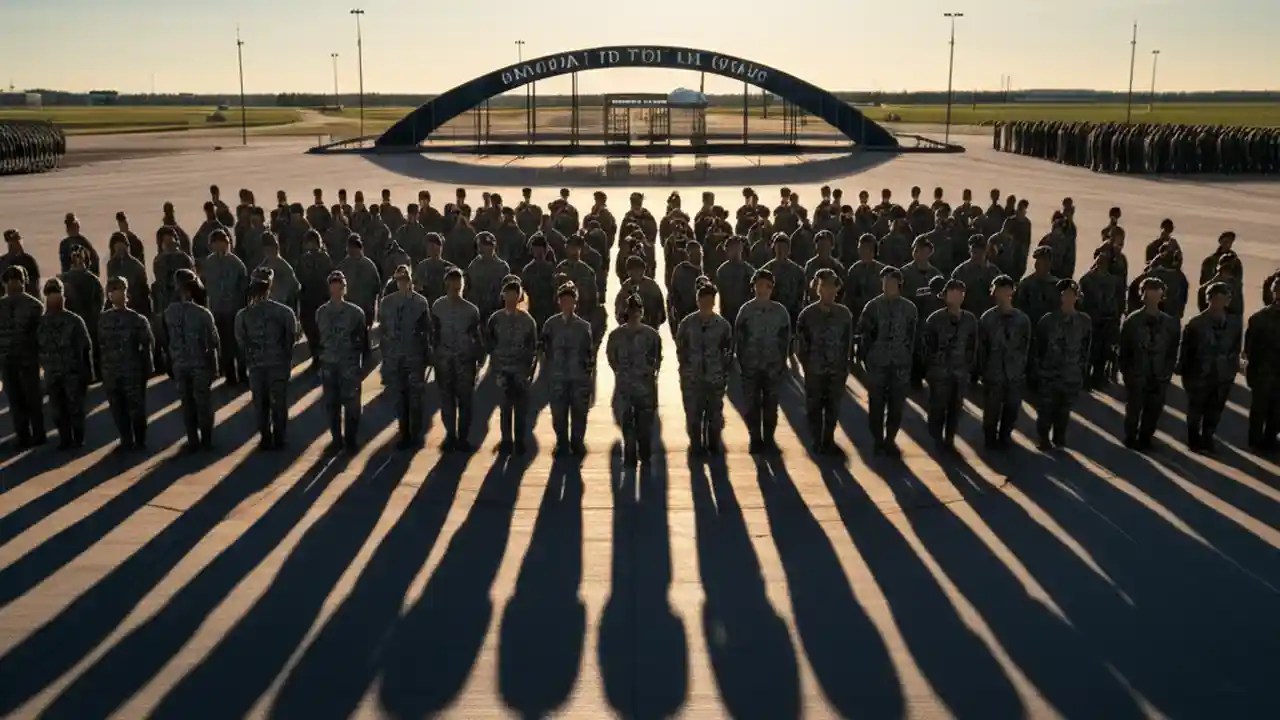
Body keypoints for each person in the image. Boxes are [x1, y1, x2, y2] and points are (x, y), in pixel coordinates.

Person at [857, 267, 918, 456]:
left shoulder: (909, 308)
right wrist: (866, 358)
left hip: (900, 363)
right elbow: (864, 334)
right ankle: (877, 439)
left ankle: (890, 439)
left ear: (899, 284)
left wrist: (909, 359)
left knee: (896, 404)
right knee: (876, 404)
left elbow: (912, 336)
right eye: (885, 282)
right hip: (878, 362)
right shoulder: (873, 306)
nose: (888, 286)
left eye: (892, 282)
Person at [1118, 276, 1181, 450]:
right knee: (1134, 408)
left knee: (1153, 410)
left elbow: (1172, 350)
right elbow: (1124, 349)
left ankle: (1146, 437)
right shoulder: (1133, 321)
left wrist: (1167, 372)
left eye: (1157, 294)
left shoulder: (1169, 324)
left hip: (1159, 374)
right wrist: (1127, 373)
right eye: (1149, 294)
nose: (1153, 298)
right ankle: (1131, 437)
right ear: (1143, 295)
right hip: (1138, 373)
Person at [236, 275, 298, 450]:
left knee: (260, 403)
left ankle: (265, 437)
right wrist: (286, 358)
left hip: (257, 365)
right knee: (278, 402)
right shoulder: (284, 312)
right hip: (277, 364)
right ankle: (279, 437)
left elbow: (241, 340)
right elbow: (291, 337)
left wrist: (249, 358)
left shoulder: (244, 315)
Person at [796, 269, 854, 455]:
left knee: (832, 407)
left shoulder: (844, 314)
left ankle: (828, 439)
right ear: (818, 289)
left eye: (832, 287)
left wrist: (846, 366)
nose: (829, 291)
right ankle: (816, 440)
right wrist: (808, 365)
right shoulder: (807, 315)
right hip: (815, 369)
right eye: (824, 286)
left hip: (836, 369)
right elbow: (800, 345)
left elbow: (848, 342)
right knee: (814, 408)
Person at [1179, 282, 1241, 454]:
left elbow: (1235, 349)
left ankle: (1208, 437)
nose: (1219, 303)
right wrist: (1185, 374)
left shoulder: (1233, 325)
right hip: (1199, 374)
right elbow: (1185, 350)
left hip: (1222, 376)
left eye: (1224, 299)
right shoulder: (1196, 324)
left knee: (1215, 410)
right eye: (1216, 298)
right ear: (1209, 299)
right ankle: (1193, 438)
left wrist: (1232, 370)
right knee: (1195, 409)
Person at [1032, 279, 1092, 450]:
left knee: (1064, 410)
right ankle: (1043, 438)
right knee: (1046, 409)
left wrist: (1083, 372)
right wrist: (1039, 371)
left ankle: (1059, 437)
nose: (1068, 297)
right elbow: (1039, 347)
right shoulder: (1048, 320)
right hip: (1049, 374)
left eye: (1072, 294)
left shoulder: (1084, 321)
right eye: (1064, 294)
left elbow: (1085, 349)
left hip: (1071, 373)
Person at [676, 279, 734, 455]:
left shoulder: (722, 326)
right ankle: (696, 445)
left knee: (714, 416)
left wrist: (722, 372)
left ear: (714, 302)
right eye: (703, 300)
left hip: (714, 378)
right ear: (697, 301)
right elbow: (681, 349)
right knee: (693, 416)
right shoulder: (687, 324)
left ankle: (713, 445)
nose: (706, 303)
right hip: (692, 379)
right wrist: (686, 370)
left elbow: (728, 351)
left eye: (710, 300)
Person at [165, 272, 220, 452]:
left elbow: (164, 340)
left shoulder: (169, 313)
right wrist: (215, 368)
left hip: (179, 364)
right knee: (203, 403)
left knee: (187, 403)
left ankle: (192, 440)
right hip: (200, 365)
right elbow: (213, 342)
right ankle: (206, 439)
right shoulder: (204, 314)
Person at [380, 265, 433, 449]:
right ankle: (404, 434)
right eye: (399, 280)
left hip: (414, 356)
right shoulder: (387, 303)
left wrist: (427, 356)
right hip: (395, 357)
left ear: (411, 281)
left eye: (405, 280)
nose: (403, 283)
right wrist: (385, 360)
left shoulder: (420, 303)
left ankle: (416, 434)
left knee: (416, 399)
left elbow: (427, 331)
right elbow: (383, 333)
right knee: (400, 399)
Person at [99, 276, 155, 450]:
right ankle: (126, 439)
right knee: (117, 408)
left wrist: (147, 369)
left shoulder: (137, 319)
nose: (118, 293)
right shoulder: (103, 319)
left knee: (136, 409)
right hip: (112, 372)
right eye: (114, 290)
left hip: (132, 371)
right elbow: (100, 345)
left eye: (121, 289)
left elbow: (147, 346)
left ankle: (139, 440)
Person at [608, 291, 663, 465]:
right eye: (631, 312)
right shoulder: (616, 336)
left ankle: (645, 455)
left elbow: (657, 358)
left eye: (637, 311)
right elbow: (612, 358)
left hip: (645, 388)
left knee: (645, 426)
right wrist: (621, 372)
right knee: (627, 424)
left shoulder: (651, 335)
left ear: (642, 312)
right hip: (624, 387)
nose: (634, 315)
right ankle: (630, 455)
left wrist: (648, 372)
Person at [978, 275, 1032, 449]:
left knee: (1012, 409)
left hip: (1014, 373)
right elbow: (982, 347)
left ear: (1011, 292)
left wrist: (1024, 369)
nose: (1000, 294)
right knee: (991, 410)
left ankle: (1005, 437)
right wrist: (982, 371)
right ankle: (989, 439)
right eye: (998, 290)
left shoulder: (1022, 320)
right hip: (993, 372)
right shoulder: (987, 318)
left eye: (1004, 290)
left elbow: (1027, 346)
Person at [431, 267, 483, 452]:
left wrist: (479, 358)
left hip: (464, 361)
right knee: (446, 400)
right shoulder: (438, 307)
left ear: (463, 285)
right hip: (444, 360)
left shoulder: (471, 310)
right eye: (452, 284)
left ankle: (463, 438)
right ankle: (450, 435)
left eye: (458, 284)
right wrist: (433, 357)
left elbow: (476, 337)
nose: (456, 288)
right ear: (446, 284)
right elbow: (434, 334)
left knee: (465, 401)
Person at [923, 279, 978, 449]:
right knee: (938, 408)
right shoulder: (935, 319)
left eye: (959, 294)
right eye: (952, 294)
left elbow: (972, 346)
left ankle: (950, 438)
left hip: (960, 372)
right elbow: (927, 346)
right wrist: (931, 368)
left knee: (956, 408)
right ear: (945, 296)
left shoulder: (969, 320)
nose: (956, 298)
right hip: (939, 373)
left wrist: (969, 367)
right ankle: (936, 436)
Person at [486, 278, 539, 454]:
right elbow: (490, 345)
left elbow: (533, 347)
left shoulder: (527, 321)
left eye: (514, 295)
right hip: (503, 369)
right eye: (507, 294)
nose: (510, 298)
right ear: (503, 296)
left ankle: (520, 441)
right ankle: (506, 440)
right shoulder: (496, 319)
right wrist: (495, 370)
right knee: (505, 408)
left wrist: (529, 372)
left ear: (519, 297)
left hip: (520, 371)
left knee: (521, 409)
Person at [542, 281, 595, 456]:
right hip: (557, 376)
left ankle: (577, 442)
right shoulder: (551, 325)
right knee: (559, 413)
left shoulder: (583, 327)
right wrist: (546, 373)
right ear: (559, 302)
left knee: (579, 412)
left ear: (575, 302)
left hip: (578, 376)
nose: (567, 304)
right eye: (564, 300)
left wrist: (589, 379)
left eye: (570, 300)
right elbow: (545, 350)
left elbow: (589, 354)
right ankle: (561, 443)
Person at [316, 270, 367, 451]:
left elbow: (363, 341)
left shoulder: (356, 313)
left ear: (345, 288)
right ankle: (336, 439)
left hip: (349, 364)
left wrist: (361, 364)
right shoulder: (321, 312)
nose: (337, 289)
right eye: (333, 285)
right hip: (329, 363)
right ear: (329, 288)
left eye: (340, 286)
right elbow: (317, 340)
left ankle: (351, 440)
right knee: (332, 404)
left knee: (352, 405)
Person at [0, 266, 46, 448]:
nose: (12, 283)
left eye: (15, 280)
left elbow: (41, 335)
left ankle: (33, 435)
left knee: (28, 399)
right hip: (13, 360)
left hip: (23, 359)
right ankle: (27, 435)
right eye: (10, 280)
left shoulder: (34, 306)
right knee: (19, 399)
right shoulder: (32, 305)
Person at [200, 229, 249, 385]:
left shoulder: (236, 264)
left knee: (239, 344)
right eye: (219, 244)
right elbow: (204, 286)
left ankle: (242, 373)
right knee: (224, 345)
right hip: (217, 310)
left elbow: (244, 287)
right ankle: (229, 375)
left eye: (225, 243)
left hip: (235, 310)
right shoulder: (208, 263)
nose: (223, 247)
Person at [1080, 246, 1126, 389]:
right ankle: (1087, 379)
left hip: (1106, 321)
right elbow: (1081, 300)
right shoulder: (1087, 279)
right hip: (1092, 320)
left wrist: (1115, 320)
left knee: (1102, 354)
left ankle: (1097, 379)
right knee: (1090, 352)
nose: (1100, 264)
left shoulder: (1114, 282)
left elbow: (1117, 302)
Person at [1244, 276, 1280, 451]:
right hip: (1265, 372)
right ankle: (1262, 441)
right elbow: (1250, 349)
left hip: (1268, 373)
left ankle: (1264, 440)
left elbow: (1249, 349)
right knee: (1265, 410)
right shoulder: (1258, 319)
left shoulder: (1258, 318)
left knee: (1269, 411)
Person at [337, 235, 380, 340]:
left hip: (364, 309)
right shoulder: (343, 266)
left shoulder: (368, 265)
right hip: (349, 311)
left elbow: (376, 287)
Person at [464, 232, 511, 323]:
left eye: (486, 246)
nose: (482, 249)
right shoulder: (474, 266)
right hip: (478, 310)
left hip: (496, 311)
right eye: (480, 246)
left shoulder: (502, 267)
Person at [952, 235, 1001, 319]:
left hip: (990, 317)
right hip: (966, 316)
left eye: (981, 250)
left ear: (986, 250)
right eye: (974, 251)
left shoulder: (994, 271)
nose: (978, 253)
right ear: (969, 251)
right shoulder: (960, 272)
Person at [615, 255, 666, 331]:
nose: (639, 272)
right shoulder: (625, 288)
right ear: (629, 272)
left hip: (650, 328)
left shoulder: (652, 286)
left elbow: (661, 310)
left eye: (641, 269)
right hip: (631, 330)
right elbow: (619, 311)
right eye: (635, 270)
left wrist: (655, 323)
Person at [106, 232, 151, 318]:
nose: (120, 250)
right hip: (116, 306)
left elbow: (143, 291)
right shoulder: (111, 265)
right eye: (117, 247)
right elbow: (110, 287)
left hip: (135, 306)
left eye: (122, 246)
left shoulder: (137, 266)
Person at [1014, 246, 1061, 327]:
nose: (1041, 264)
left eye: (1044, 261)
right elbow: (1017, 308)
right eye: (1039, 261)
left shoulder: (1057, 285)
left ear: (1050, 264)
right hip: (1030, 326)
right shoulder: (1026, 284)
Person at [520, 234, 558, 331]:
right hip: (533, 310)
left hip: (550, 310)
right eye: (536, 251)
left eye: (540, 251)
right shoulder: (528, 270)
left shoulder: (552, 269)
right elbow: (523, 292)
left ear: (545, 251)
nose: (538, 254)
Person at [715, 234, 754, 327]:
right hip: (727, 315)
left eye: (737, 248)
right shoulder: (722, 271)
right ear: (727, 251)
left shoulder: (748, 270)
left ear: (741, 249)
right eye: (732, 249)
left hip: (745, 316)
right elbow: (721, 294)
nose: (735, 251)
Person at [667, 239, 704, 332]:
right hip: (683, 313)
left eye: (699, 253)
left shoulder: (702, 272)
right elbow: (674, 293)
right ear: (688, 254)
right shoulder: (681, 270)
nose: (698, 256)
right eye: (695, 253)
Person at [413, 232, 454, 308]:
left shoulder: (449, 268)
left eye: (433, 246)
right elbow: (416, 287)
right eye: (428, 247)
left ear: (440, 248)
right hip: (426, 305)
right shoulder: (422, 266)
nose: (430, 249)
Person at [2, 229, 41, 295]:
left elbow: (35, 285)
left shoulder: (29, 260)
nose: (17, 243)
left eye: (18, 240)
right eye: (13, 241)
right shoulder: (3, 261)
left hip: (26, 298)